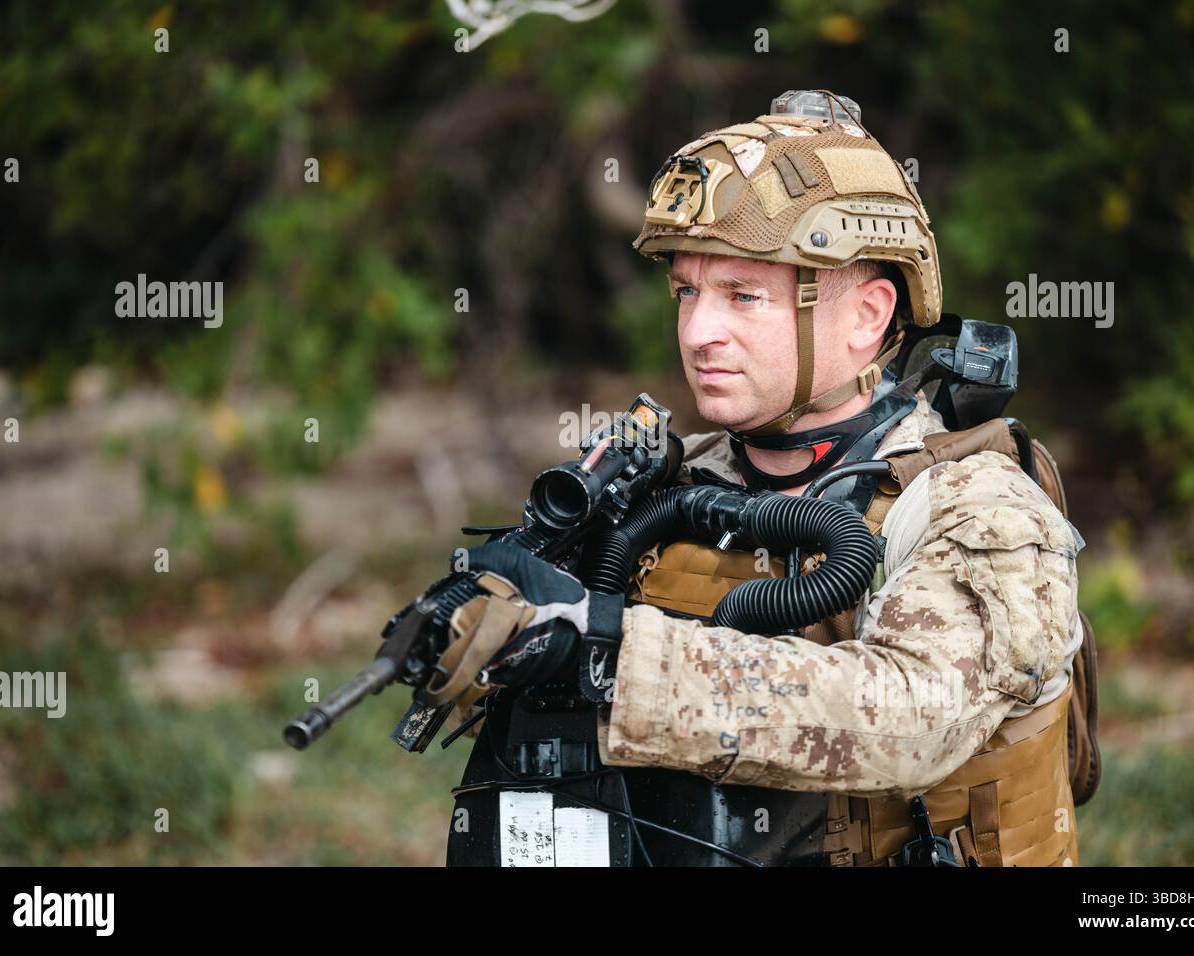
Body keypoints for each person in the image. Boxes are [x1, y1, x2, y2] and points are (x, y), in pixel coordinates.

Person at [445, 90, 1097, 867]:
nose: (697, 332)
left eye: (742, 296)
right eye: (687, 291)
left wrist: (613, 655)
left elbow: (913, 717)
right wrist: (486, 638)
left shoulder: (978, 508)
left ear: (866, 316)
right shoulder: (667, 486)